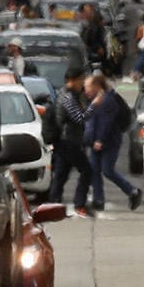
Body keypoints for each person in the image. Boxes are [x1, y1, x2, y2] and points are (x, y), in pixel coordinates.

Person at [82, 73, 143, 212]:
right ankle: (98, 200)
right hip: (94, 141)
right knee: (94, 171)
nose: (86, 90)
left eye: (88, 87)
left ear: (97, 86)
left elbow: (106, 122)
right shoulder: (95, 100)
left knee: (107, 170)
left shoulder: (108, 100)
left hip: (108, 142)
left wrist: (100, 139)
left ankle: (133, 191)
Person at [49, 69, 94, 207]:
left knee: (61, 174)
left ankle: (54, 202)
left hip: (66, 141)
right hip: (68, 141)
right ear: (71, 80)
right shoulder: (67, 97)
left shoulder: (70, 95)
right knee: (87, 170)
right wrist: (94, 105)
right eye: (81, 80)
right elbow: (79, 118)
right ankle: (79, 202)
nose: (82, 83)